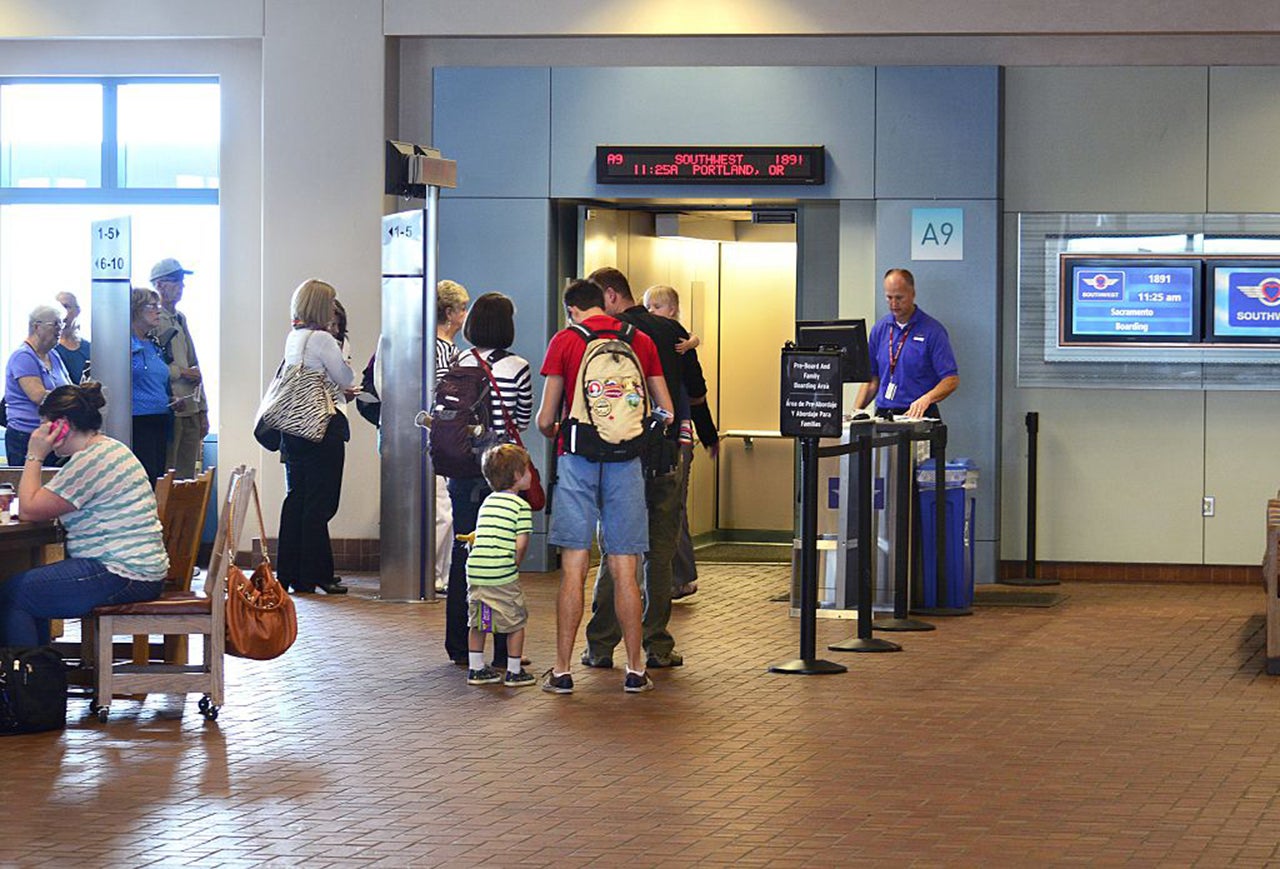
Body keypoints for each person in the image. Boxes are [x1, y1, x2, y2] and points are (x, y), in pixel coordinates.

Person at [536, 278, 673, 695]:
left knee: (574, 566)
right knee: (625, 568)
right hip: (626, 459)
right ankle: (635, 669)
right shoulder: (639, 340)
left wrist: (561, 431)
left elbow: (545, 418)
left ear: (572, 310)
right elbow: (665, 409)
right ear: (603, 303)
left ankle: (562, 670)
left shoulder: (565, 341)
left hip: (577, 458)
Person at [582, 270, 716, 671]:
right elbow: (697, 391)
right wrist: (708, 434)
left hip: (620, 456)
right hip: (666, 452)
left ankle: (600, 645)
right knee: (659, 551)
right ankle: (656, 644)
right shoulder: (670, 330)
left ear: (610, 296)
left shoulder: (606, 337)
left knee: (616, 551)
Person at [0, 382, 168, 647]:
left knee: (14, 594)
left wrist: (34, 455)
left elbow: (29, 510)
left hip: (119, 571)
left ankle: (30, 672)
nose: (39, 432)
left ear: (62, 425)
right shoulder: (109, 449)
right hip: (137, 570)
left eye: (43, 424)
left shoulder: (90, 460)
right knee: (29, 591)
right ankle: (38, 668)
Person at [443, 291, 531, 668]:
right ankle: (502, 652)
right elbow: (521, 419)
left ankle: (461, 646)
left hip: (463, 470)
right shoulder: (518, 366)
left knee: (465, 554)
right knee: (502, 555)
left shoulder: (458, 361)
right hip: (501, 473)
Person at [276, 279, 354, 596]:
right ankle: (316, 573)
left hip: (293, 427)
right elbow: (345, 378)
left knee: (297, 498)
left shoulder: (294, 337)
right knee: (320, 503)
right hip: (322, 427)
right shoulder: (322, 339)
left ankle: (290, 572)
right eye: (331, 302)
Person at [642, 284, 719, 600]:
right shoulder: (680, 342)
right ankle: (677, 577)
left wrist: (709, 434)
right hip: (677, 434)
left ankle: (675, 577)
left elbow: (697, 391)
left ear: (671, 309)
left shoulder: (677, 342)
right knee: (673, 506)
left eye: (655, 306)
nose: (650, 313)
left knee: (667, 506)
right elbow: (697, 392)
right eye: (648, 307)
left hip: (669, 433)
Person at [463, 443, 536, 688]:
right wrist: (515, 563)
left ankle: (476, 668)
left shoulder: (487, 502)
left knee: (481, 621)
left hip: (477, 572)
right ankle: (514, 671)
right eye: (527, 470)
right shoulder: (521, 506)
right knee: (515, 622)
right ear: (517, 475)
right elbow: (521, 542)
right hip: (502, 574)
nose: (530, 474)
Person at [854, 268, 960, 420]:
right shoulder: (880, 329)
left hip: (918, 414)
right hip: (884, 414)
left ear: (912, 294)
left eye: (899, 298)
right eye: (889, 297)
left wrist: (927, 399)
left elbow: (951, 380)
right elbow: (871, 379)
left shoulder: (933, 331)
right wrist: (855, 413)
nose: (894, 303)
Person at [151, 258, 209, 480]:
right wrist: (181, 372)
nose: (181, 286)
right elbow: (151, 365)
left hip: (191, 406)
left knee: (187, 476)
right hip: (171, 406)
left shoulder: (180, 318)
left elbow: (195, 365)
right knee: (168, 472)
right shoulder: (153, 321)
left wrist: (203, 410)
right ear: (159, 284)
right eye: (175, 280)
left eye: (181, 281)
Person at [433, 279, 470, 595]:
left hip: (438, 435)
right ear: (449, 312)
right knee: (442, 509)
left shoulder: (436, 347)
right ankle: (436, 574)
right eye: (463, 308)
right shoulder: (444, 351)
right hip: (441, 436)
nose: (466, 314)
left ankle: (439, 572)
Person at [3, 305, 72, 467]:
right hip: (25, 437)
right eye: (55, 324)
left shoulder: (53, 355)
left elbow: (69, 386)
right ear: (36, 327)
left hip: (53, 434)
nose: (60, 329)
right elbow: (39, 396)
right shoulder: (23, 357)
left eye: (61, 324)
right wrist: (71, 399)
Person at [129, 287, 172, 486]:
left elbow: (157, 380)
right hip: (139, 420)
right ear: (136, 309)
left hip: (160, 417)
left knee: (158, 476)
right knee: (145, 477)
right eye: (152, 306)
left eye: (158, 306)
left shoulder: (154, 345)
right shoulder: (125, 344)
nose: (158, 311)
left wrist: (171, 399)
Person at [643, 285, 701, 355]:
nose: (651, 310)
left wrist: (688, 344)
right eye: (648, 307)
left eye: (657, 307)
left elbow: (695, 338)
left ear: (671, 310)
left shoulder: (676, 328)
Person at [53, 291, 91, 384]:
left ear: (77, 311)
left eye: (66, 307)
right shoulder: (49, 349)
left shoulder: (89, 348)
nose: (62, 313)